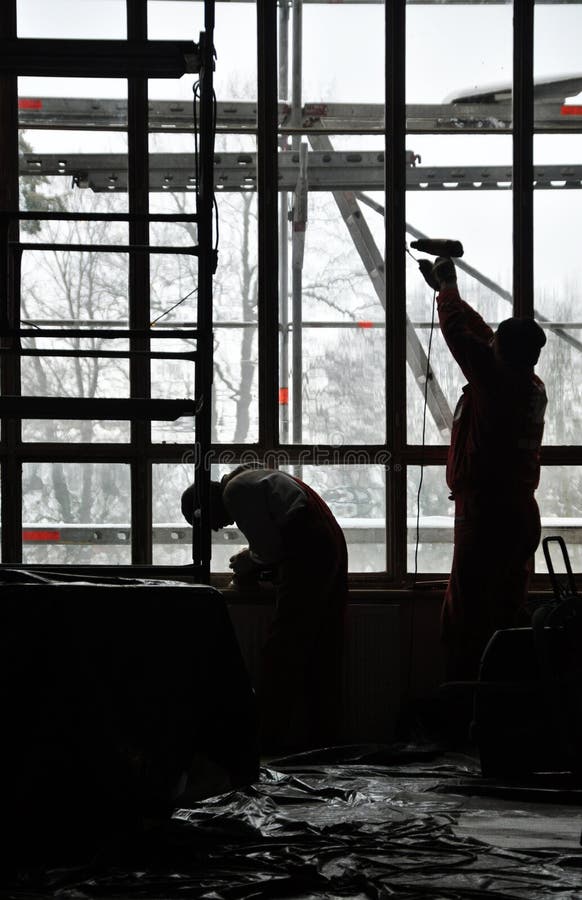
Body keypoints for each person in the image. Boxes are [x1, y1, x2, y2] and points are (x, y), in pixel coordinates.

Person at [419, 256, 547, 683]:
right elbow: (484, 337)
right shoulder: (528, 383)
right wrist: (445, 290)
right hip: (518, 515)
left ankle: (464, 717)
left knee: (466, 619)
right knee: (506, 616)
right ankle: (506, 712)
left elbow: (460, 334)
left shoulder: (497, 383)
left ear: (501, 355)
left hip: (487, 517)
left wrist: (447, 287)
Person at [181, 465, 348, 753]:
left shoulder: (236, 492)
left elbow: (270, 550)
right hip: (325, 543)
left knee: (282, 652)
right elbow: (276, 541)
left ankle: (268, 744)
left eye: (209, 523)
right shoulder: (251, 478)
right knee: (319, 647)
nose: (218, 528)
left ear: (206, 505)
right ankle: (323, 741)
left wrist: (249, 561)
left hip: (311, 550)